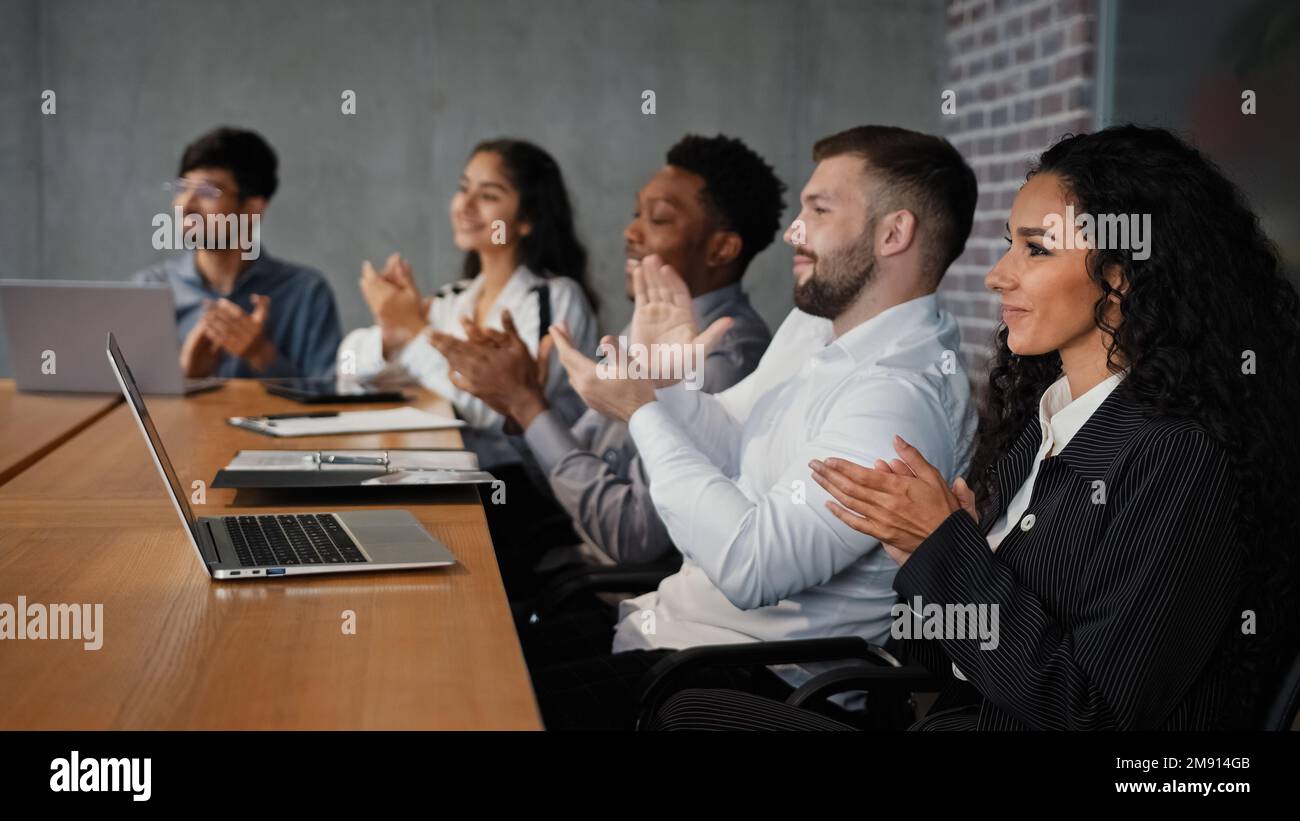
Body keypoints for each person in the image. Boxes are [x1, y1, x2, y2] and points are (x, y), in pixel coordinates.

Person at [652, 125, 1300, 731]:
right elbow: (936, 668)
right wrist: (922, 555)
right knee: (687, 708)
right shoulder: (1041, 426)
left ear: (1123, 274)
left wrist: (946, 551)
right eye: (1009, 244)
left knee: (689, 712)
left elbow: (1089, 713)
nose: (998, 275)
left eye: (1036, 249)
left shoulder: (1179, 456)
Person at [533, 125, 980, 730]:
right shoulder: (815, 327)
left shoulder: (896, 398)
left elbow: (751, 566)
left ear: (893, 233)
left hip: (742, 684)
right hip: (667, 634)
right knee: (470, 648)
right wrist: (665, 384)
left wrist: (639, 409)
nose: (794, 232)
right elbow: (733, 440)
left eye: (819, 210)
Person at [425, 134, 783, 595]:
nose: (631, 233)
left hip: (614, 596)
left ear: (721, 250)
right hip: (565, 554)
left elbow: (630, 539)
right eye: (637, 213)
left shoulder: (721, 358)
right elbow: (568, 477)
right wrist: (520, 406)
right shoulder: (644, 330)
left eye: (658, 220)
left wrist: (529, 407)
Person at [336, 139, 598, 469]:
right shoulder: (454, 297)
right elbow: (347, 368)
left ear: (527, 218)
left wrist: (416, 332)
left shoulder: (556, 298)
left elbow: (497, 412)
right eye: (463, 189)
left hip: (529, 489)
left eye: (488, 195)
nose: (466, 205)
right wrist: (392, 335)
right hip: (445, 472)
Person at [133, 126, 342, 379]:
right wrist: (186, 377)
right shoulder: (148, 290)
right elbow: (123, 405)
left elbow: (330, 402)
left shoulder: (306, 292)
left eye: (207, 192)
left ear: (253, 208)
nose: (186, 205)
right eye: (182, 189)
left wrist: (263, 356)